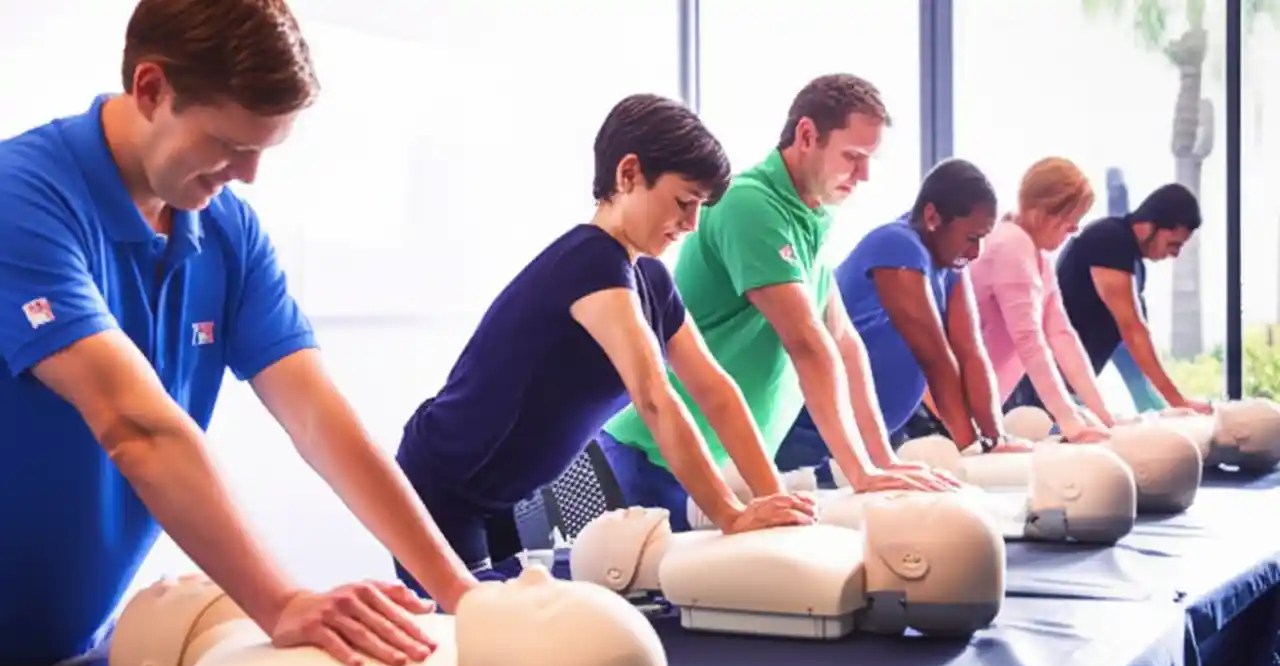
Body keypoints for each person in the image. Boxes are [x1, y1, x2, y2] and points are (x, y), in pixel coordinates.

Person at [0, 0, 480, 666]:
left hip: (66, 650)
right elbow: (136, 427)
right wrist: (280, 601)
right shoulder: (20, 197)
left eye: (265, 149)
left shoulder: (224, 229)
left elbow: (318, 417)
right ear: (151, 89)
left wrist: (459, 594)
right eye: (231, 144)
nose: (250, 174)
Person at [392, 93, 816, 590]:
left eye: (701, 207)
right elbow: (656, 399)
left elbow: (714, 391)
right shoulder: (591, 262)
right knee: (486, 642)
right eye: (684, 202)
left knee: (527, 639)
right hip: (443, 490)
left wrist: (771, 501)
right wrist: (729, 514)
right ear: (629, 174)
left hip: (506, 497)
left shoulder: (652, 281)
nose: (693, 223)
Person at [600, 74, 958, 526]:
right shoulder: (751, 205)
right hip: (657, 460)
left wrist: (880, 461)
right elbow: (806, 343)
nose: (864, 175)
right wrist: (859, 473)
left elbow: (842, 342)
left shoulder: (809, 219)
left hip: (718, 465)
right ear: (807, 135)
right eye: (852, 157)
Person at [775, 159, 1033, 482]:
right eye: (971, 237)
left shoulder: (950, 266)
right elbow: (936, 358)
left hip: (872, 438)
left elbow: (970, 353)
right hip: (812, 434)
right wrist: (970, 450)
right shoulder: (897, 245)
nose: (977, 251)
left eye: (983, 238)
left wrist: (996, 439)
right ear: (932, 217)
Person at [1018, 183, 1211, 415]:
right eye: (1174, 244)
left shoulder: (1133, 263)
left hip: (1061, 390)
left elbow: (1136, 338)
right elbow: (1133, 330)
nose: (1175, 254)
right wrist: (1179, 402)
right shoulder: (1110, 240)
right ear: (1151, 226)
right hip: (1036, 388)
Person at [967, 157, 1116, 442]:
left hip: (977, 401)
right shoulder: (1010, 247)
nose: (1073, 231)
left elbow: (1062, 336)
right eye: (1071, 222)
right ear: (1043, 214)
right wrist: (1070, 422)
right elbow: (1029, 341)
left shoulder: (1037, 254)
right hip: (946, 406)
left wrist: (1104, 416)